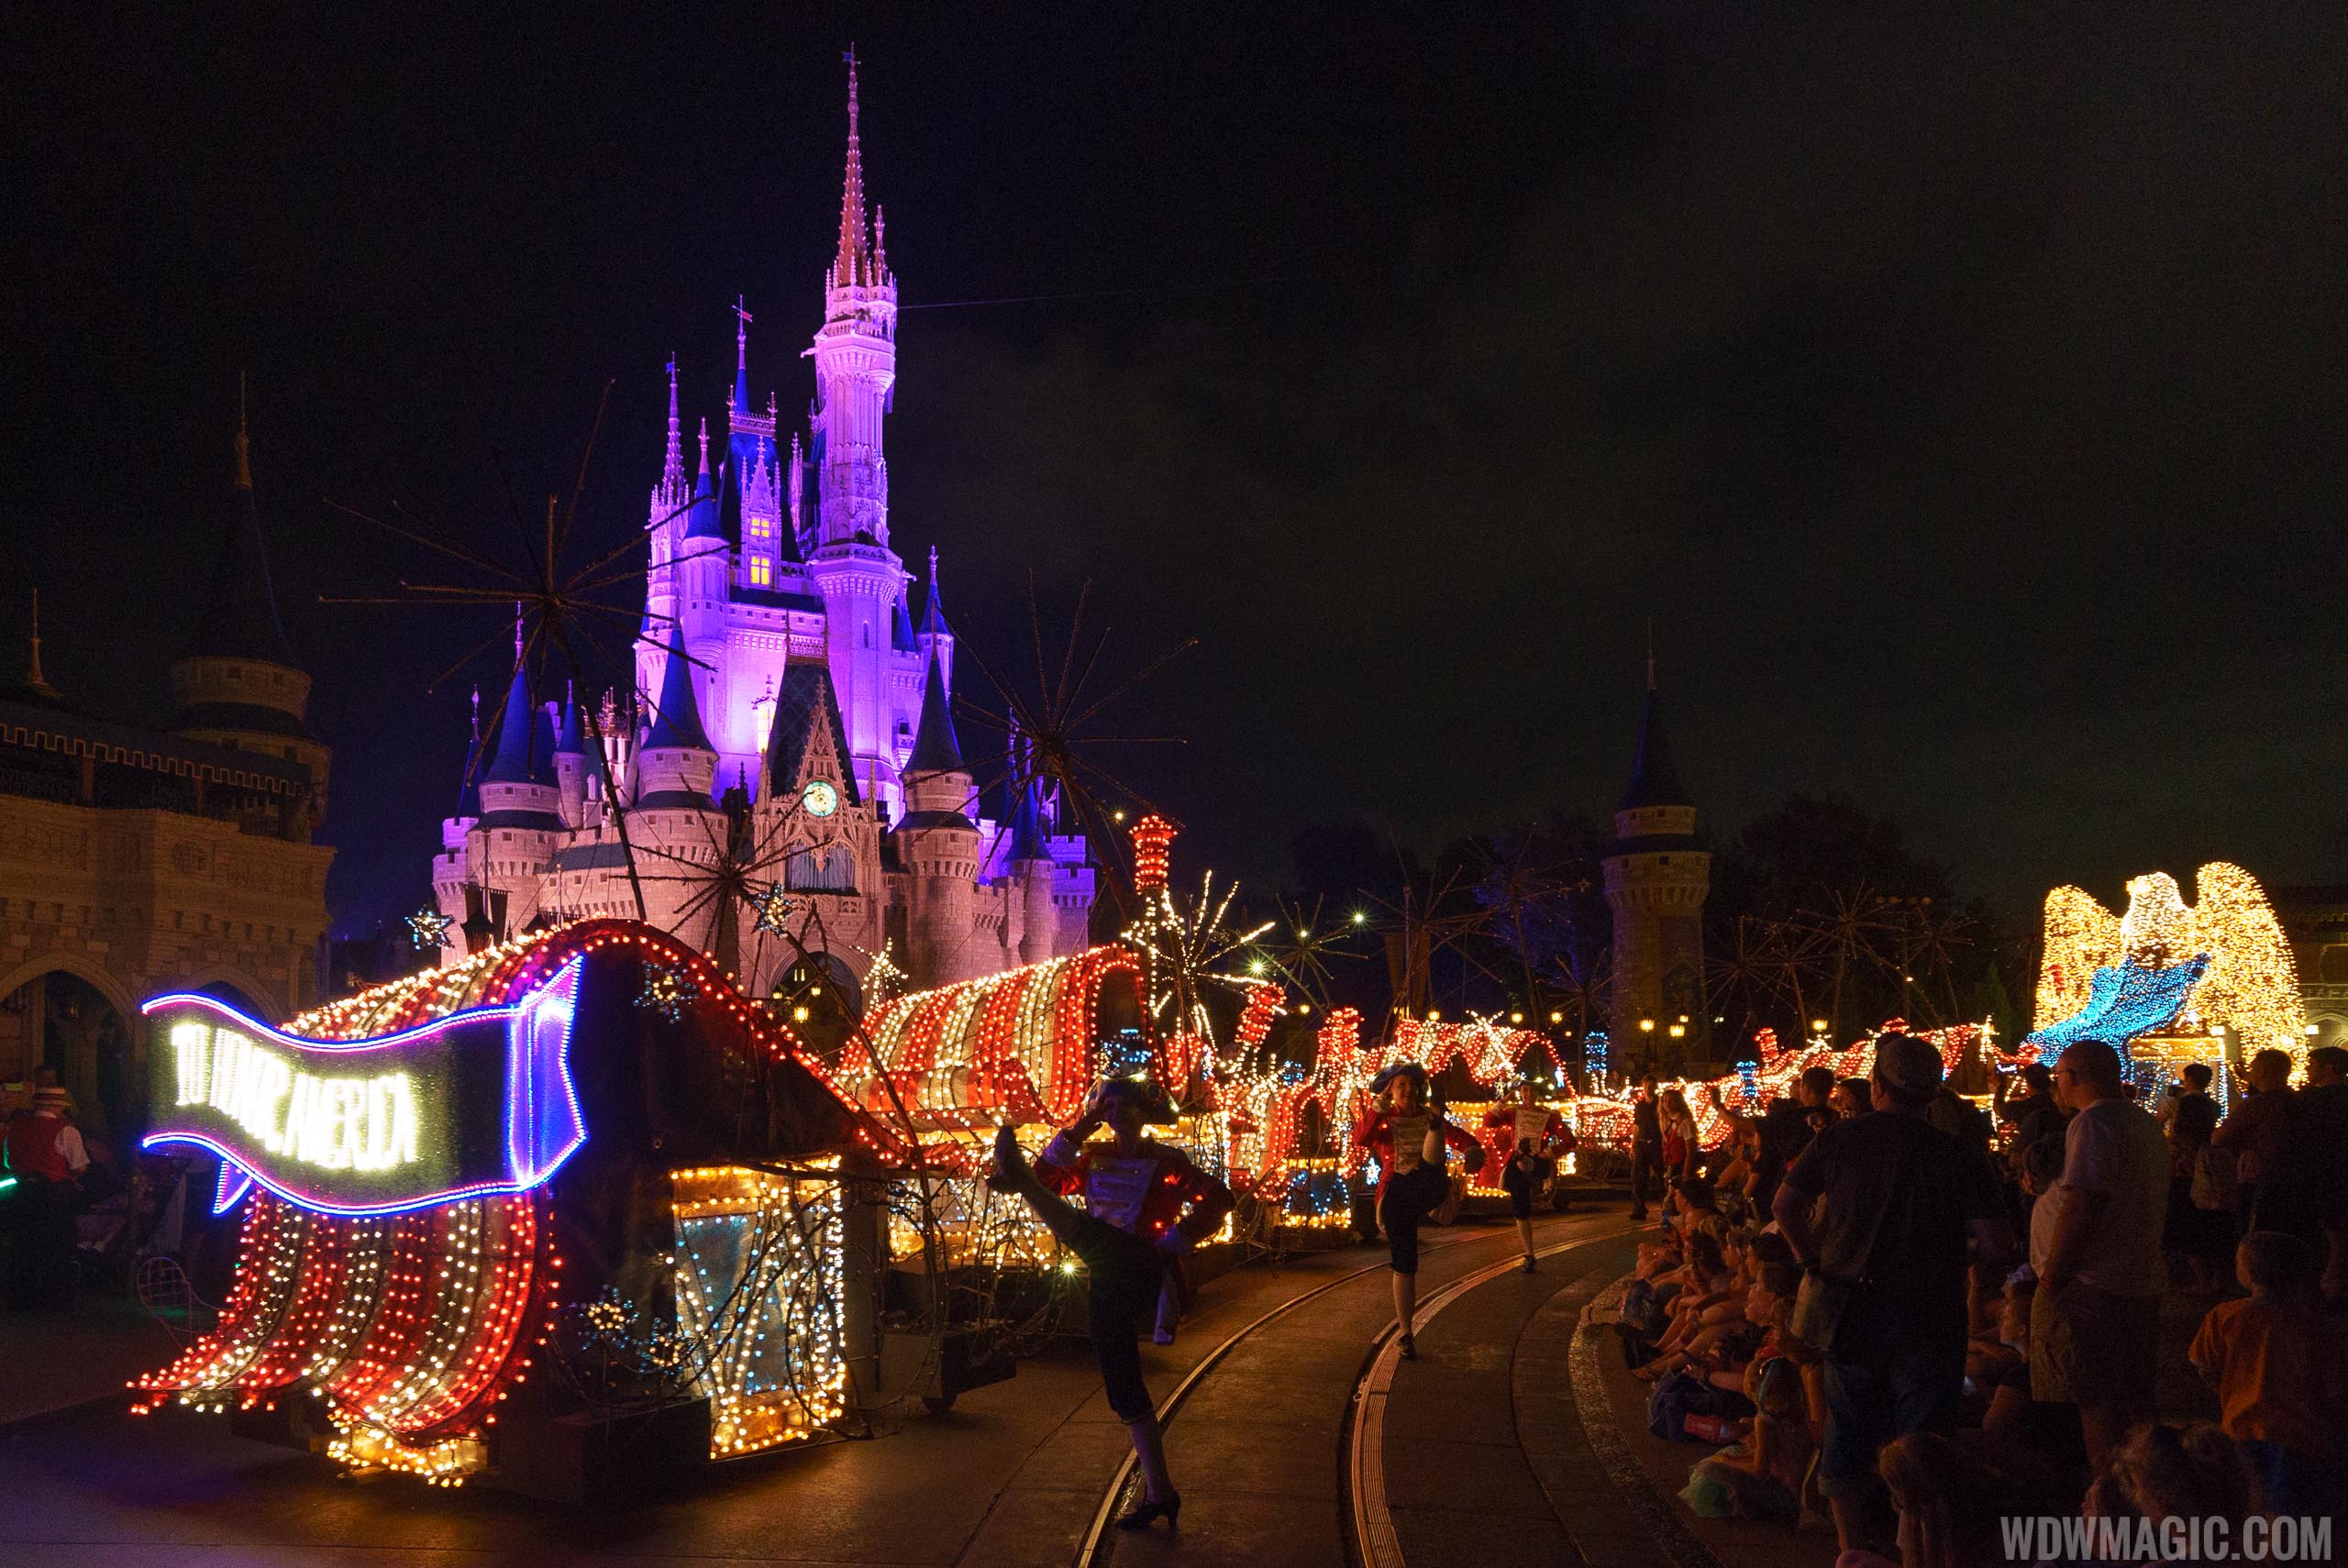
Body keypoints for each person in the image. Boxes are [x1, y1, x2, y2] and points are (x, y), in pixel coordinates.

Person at [1773, 1032, 2010, 1556]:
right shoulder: (1958, 1154)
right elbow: (1996, 1241)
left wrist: (1811, 1261)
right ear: (1931, 1094)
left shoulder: (1837, 1140)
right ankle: (1915, 1548)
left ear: (1877, 1084)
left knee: (1848, 1426)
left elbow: (1785, 1205)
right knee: (1923, 1438)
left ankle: (1849, 1548)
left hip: (1850, 1308)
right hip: (1929, 1312)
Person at [991, 1077, 1234, 1530]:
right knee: (1120, 1379)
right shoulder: (1093, 1159)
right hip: (1105, 1272)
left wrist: (1173, 1241)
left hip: (1140, 1264)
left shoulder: (1167, 1161)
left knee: (1074, 1224)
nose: (1117, 1110)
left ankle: (1161, 1491)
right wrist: (1082, 1126)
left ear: (1145, 1113)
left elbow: (1220, 1198)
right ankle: (1161, 1492)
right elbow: (1051, 1178)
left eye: (1126, 1104)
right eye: (1109, 1103)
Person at [2031, 1039, 2171, 1471]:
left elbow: (2084, 1203)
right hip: (2139, 1276)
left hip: (2096, 1283)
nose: (2057, 1084)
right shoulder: (2144, 1123)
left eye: (2057, 1076)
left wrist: (2054, 1275)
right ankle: (2155, 1485)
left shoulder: (2092, 1124)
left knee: (2096, 1399)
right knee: (2135, 1393)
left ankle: (2110, 1498)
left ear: (2072, 1076)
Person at [2187, 1231, 2348, 1519]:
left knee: (2249, 1510)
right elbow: (2335, 1390)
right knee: (2294, 1517)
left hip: (2241, 1430)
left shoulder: (2224, 1317)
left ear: (2247, 1274)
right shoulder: (2320, 1330)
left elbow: (2205, 1367)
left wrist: (2230, 1387)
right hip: (2303, 1438)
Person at [1352, 1062, 1481, 1360]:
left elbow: (1464, 1140)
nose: (1408, 1090)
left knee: (1431, 1160)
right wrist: (1378, 1107)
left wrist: (1473, 1152)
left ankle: (1433, 1129)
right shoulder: (1384, 1118)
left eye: (1412, 1085)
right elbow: (1361, 1138)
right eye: (1401, 1086)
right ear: (1391, 1091)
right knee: (1405, 1264)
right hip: (1397, 1193)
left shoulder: (1427, 1112)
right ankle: (1406, 1333)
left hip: (1427, 1184)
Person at [3, 1085, 90, 1309]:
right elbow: (79, 1167)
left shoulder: (16, 1129)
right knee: (57, 1246)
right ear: (57, 1106)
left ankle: (22, 1296)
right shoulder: (66, 1131)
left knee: (23, 1245)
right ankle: (53, 1297)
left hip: (21, 1193)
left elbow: (7, 1162)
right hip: (54, 1196)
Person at [2216, 1048, 2313, 1242]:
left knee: (2258, 1240)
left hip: (2261, 1182)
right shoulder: (2301, 1102)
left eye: (2253, 1068)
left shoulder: (2257, 1105)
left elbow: (2219, 1137)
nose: (2249, 1072)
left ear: (2263, 1072)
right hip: (2299, 1181)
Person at [1485, 1077, 1574, 1258]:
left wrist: (1549, 1152)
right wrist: (1503, 1101)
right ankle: (1529, 1253)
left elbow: (1571, 1141)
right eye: (1525, 1090)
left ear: (1537, 1094)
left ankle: (1523, 1158)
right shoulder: (1513, 1113)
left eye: (1532, 1091)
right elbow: (1489, 1121)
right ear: (1520, 1092)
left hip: (1537, 1163)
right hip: (1517, 1167)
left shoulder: (1549, 1116)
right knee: (1520, 1209)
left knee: (1527, 1168)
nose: (1528, 1094)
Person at [2165, 1081, 2234, 1292]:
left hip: (2188, 1190)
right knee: (2213, 1239)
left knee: (2191, 1238)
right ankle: (2219, 1281)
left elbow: (2176, 1163)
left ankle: (2202, 1282)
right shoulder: (2215, 1138)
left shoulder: (2181, 1139)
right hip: (2212, 1196)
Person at [1629, 1076, 1663, 1221]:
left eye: (1651, 1086)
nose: (1649, 1089)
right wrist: (1633, 1145)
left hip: (1657, 1144)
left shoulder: (1660, 1103)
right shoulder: (1639, 1106)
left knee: (1661, 1177)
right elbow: (1636, 1126)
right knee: (1639, 1178)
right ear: (1643, 1087)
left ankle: (1666, 1209)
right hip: (1642, 1144)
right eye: (1646, 1086)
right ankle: (1639, 1209)